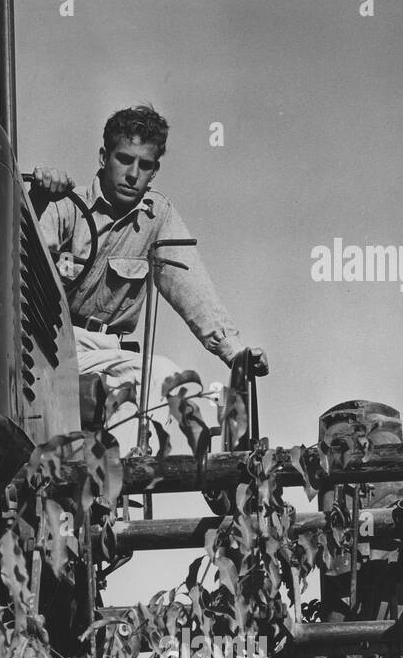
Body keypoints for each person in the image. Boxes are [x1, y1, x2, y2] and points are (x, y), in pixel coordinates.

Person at [30, 104, 267, 454]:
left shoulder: (159, 216)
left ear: (154, 172)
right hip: (54, 345)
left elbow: (191, 286)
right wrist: (37, 199)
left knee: (164, 377)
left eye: (145, 165)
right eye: (124, 159)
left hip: (110, 351)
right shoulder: (66, 205)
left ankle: (119, 487)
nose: (132, 174)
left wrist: (235, 352)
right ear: (103, 157)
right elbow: (24, 255)